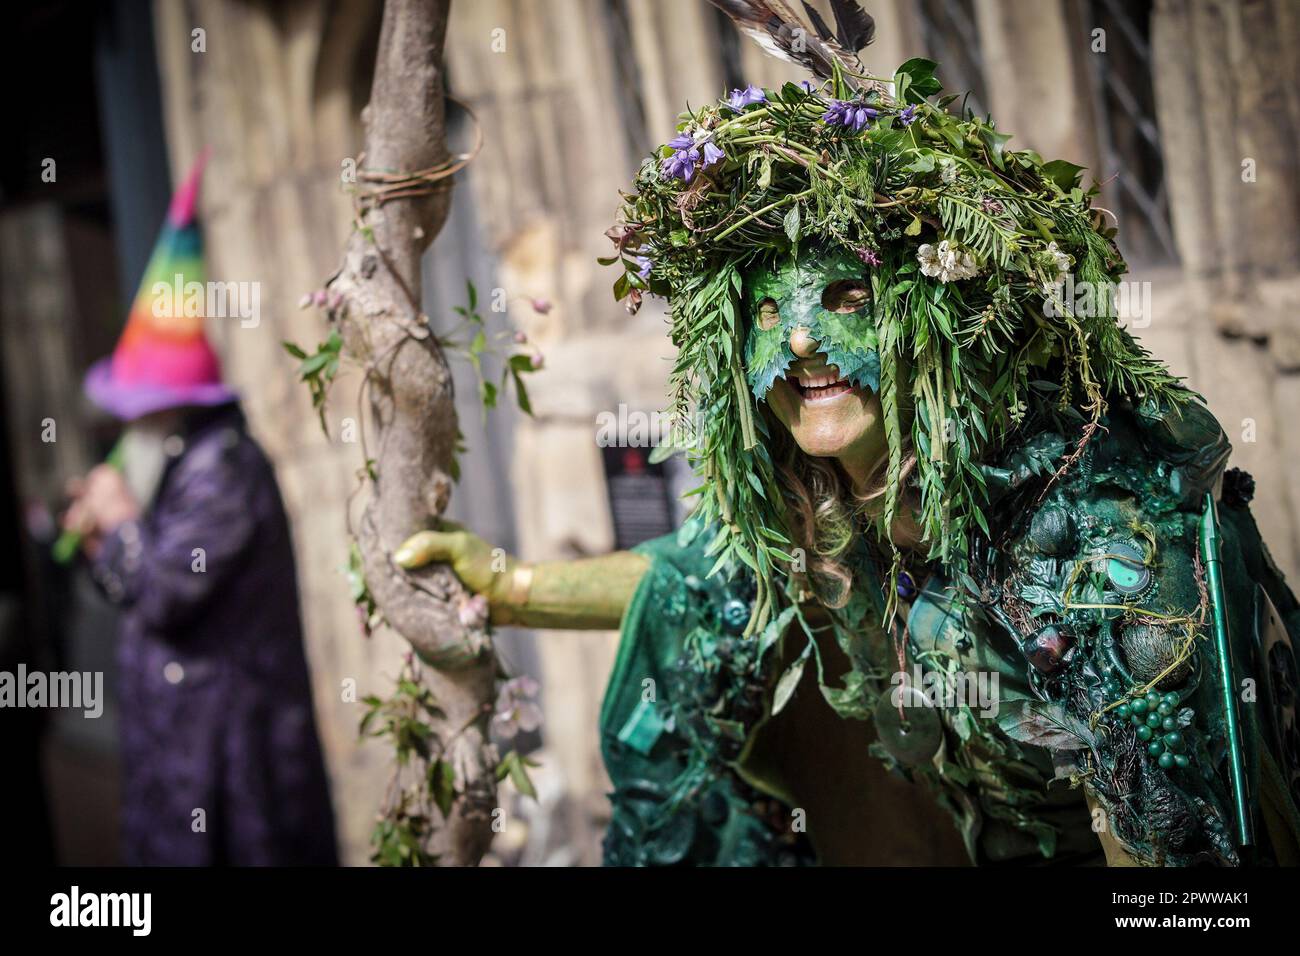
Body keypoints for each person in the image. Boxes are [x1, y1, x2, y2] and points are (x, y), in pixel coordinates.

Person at [397, 46, 1300, 866]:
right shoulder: (823, 505)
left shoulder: (1097, 547)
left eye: (846, 299)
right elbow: (693, 583)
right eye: (764, 316)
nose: (798, 343)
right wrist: (506, 587)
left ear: (933, 327)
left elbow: (1200, 874)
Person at [64, 156, 337, 866]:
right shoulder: (178, 464)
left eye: (138, 415)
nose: (129, 433)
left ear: (170, 412)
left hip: (227, 757)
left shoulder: (224, 471)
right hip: (178, 749)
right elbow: (127, 585)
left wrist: (122, 519)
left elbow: (161, 592)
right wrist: (101, 538)